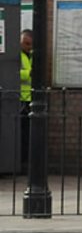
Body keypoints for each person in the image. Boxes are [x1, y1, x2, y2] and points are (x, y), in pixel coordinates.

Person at [18, 30, 32, 174]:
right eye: (26, 43)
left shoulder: (32, 55)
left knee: (29, 134)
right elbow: (11, 72)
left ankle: (26, 163)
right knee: (21, 134)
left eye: (30, 44)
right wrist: (28, 73)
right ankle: (20, 163)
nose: (28, 47)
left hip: (31, 100)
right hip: (19, 100)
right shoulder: (16, 55)